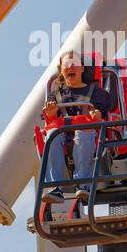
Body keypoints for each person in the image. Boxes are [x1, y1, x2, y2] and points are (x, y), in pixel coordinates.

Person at [43, 50, 115, 198]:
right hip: (61, 132)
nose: (71, 67)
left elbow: (102, 115)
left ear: (82, 68)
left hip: (86, 133)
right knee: (51, 136)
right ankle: (54, 187)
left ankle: (83, 184)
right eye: (66, 64)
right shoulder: (55, 95)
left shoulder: (97, 93)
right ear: (61, 71)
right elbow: (50, 120)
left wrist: (97, 115)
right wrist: (50, 113)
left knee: (83, 133)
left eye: (74, 63)